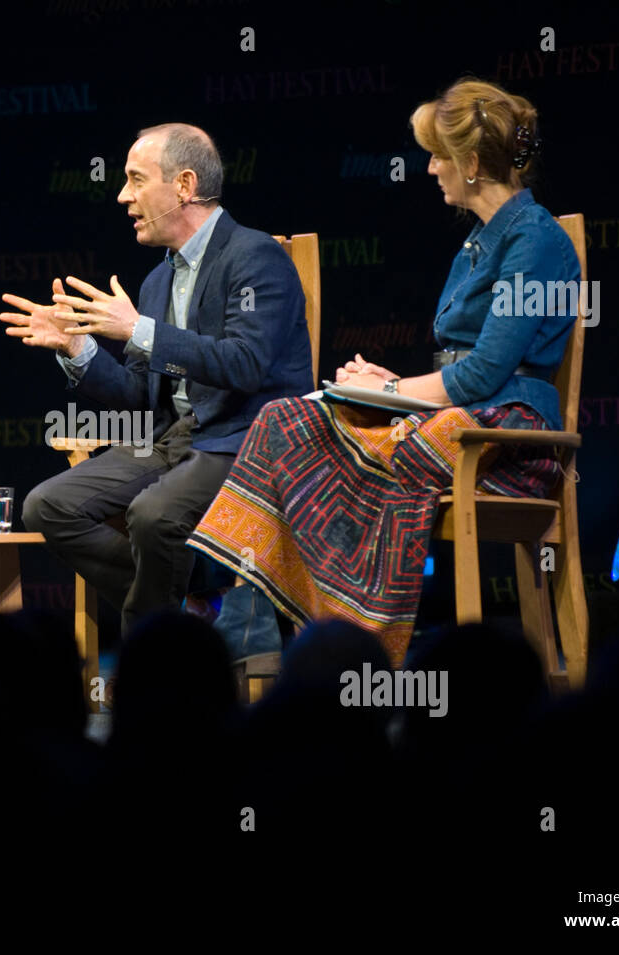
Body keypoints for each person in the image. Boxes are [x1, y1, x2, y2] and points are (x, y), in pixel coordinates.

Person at [189, 79, 580, 667]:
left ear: (472, 164)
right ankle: (258, 618)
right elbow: (462, 371)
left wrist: (390, 391)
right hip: (460, 418)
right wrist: (382, 384)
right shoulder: (480, 241)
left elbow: (482, 377)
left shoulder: (534, 240)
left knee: (397, 451)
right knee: (286, 419)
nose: (431, 168)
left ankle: (358, 639)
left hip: (510, 440)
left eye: (439, 155)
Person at [1, 123, 312, 634]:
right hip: (173, 440)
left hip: (244, 440)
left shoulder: (255, 256)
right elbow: (140, 401)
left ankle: (157, 657)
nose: (123, 196)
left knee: (152, 516)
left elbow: (246, 364)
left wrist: (138, 330)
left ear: (184, 185)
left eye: (136, 179)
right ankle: (187, 611)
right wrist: (78, 349)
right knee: (47, 507)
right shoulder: (157, 280)